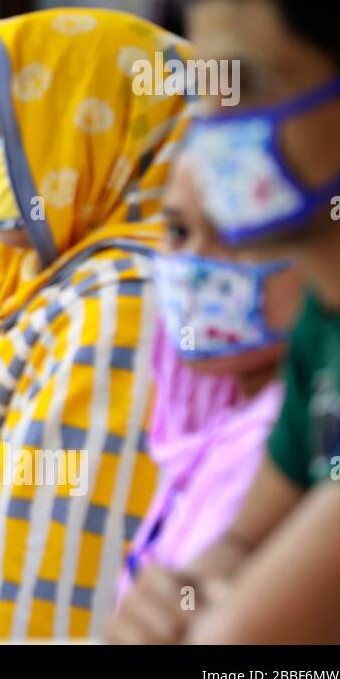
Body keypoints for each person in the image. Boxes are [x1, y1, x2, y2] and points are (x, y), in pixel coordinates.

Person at [107, 0, 340, 645]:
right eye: (205, 93)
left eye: (247, 91)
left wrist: (197, 608)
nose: (215, 134)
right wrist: (188, 596)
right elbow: (227, 555)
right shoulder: (333, 325)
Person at [0, 8, 191, 640]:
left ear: (108, 137)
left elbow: (39, 571)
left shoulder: (125, 306)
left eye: (8, 129)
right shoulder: (91, 287)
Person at [118, 150, 302, 593]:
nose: (194, 267)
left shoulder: (282, 444)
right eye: (178, 232)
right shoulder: (208, 422)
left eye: (237, 239)